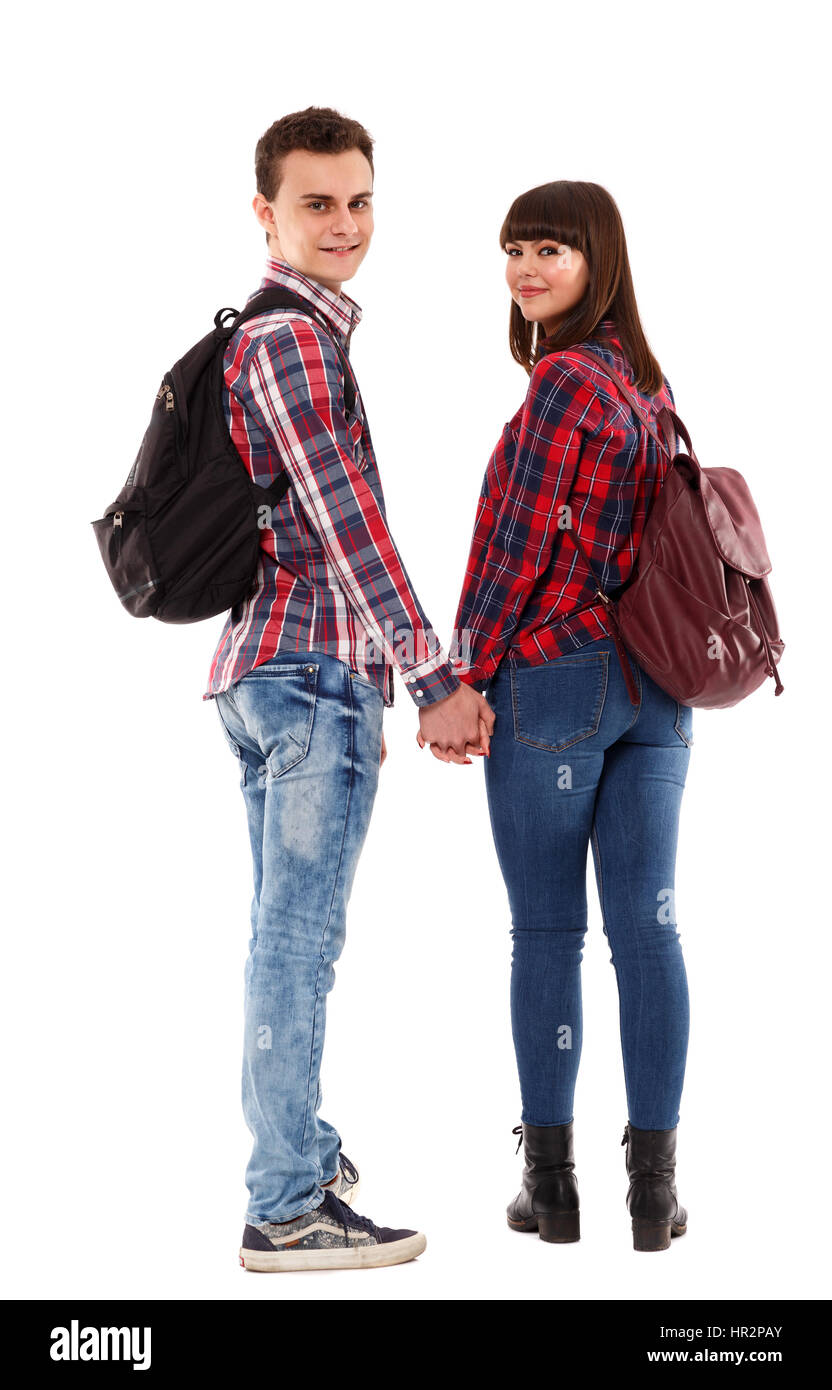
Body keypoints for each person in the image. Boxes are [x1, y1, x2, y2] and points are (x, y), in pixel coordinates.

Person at [204, 106, 495, 1272]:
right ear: (265, 214)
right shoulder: (290, 344)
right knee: (298, 938)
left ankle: (301, 1152)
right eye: (316, 202)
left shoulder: (297, 336)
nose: (343, 222)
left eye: (358, 200)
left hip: (273, 669)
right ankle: (283, 1203)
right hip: (308, 674)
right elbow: (349, 528)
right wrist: (431, 678)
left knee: (288, 933)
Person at [420, 180, 692, 1253]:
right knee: (650, 932)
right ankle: (653, 1192)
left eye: (552, 251)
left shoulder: (562, 385)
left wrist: (458, 678)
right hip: (656, 690)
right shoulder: (644, 385)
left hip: (559, 679)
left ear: (599, 262)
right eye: (515, 249)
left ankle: (554, 1186)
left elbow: (516, 554)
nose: (527, 270)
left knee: (547, 932)